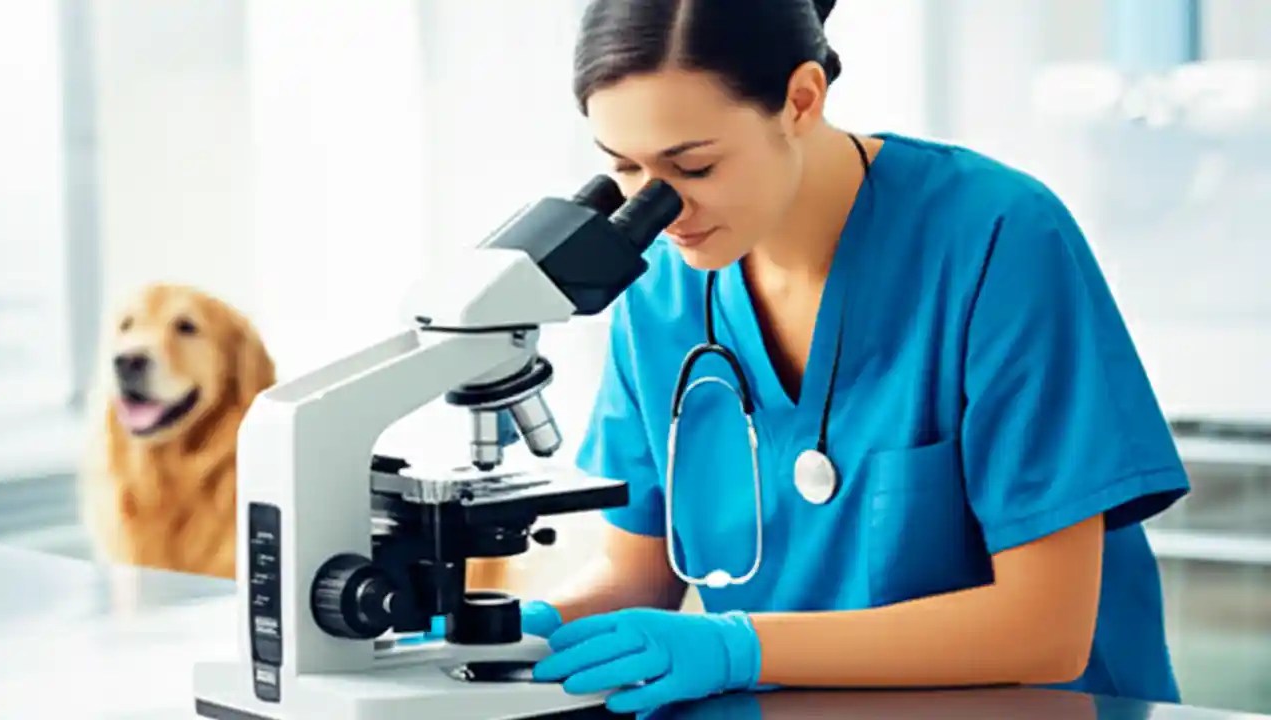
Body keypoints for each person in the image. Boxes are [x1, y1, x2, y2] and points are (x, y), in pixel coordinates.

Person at [429, 0, 1193, 714]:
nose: (662, 212)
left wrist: (741, 646)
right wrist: (506, 637)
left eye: (693, 167)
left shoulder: (997, 238)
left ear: (801, 98)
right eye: (626, 169)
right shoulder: (659, 286)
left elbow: (1043, 631)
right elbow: (640, 576)